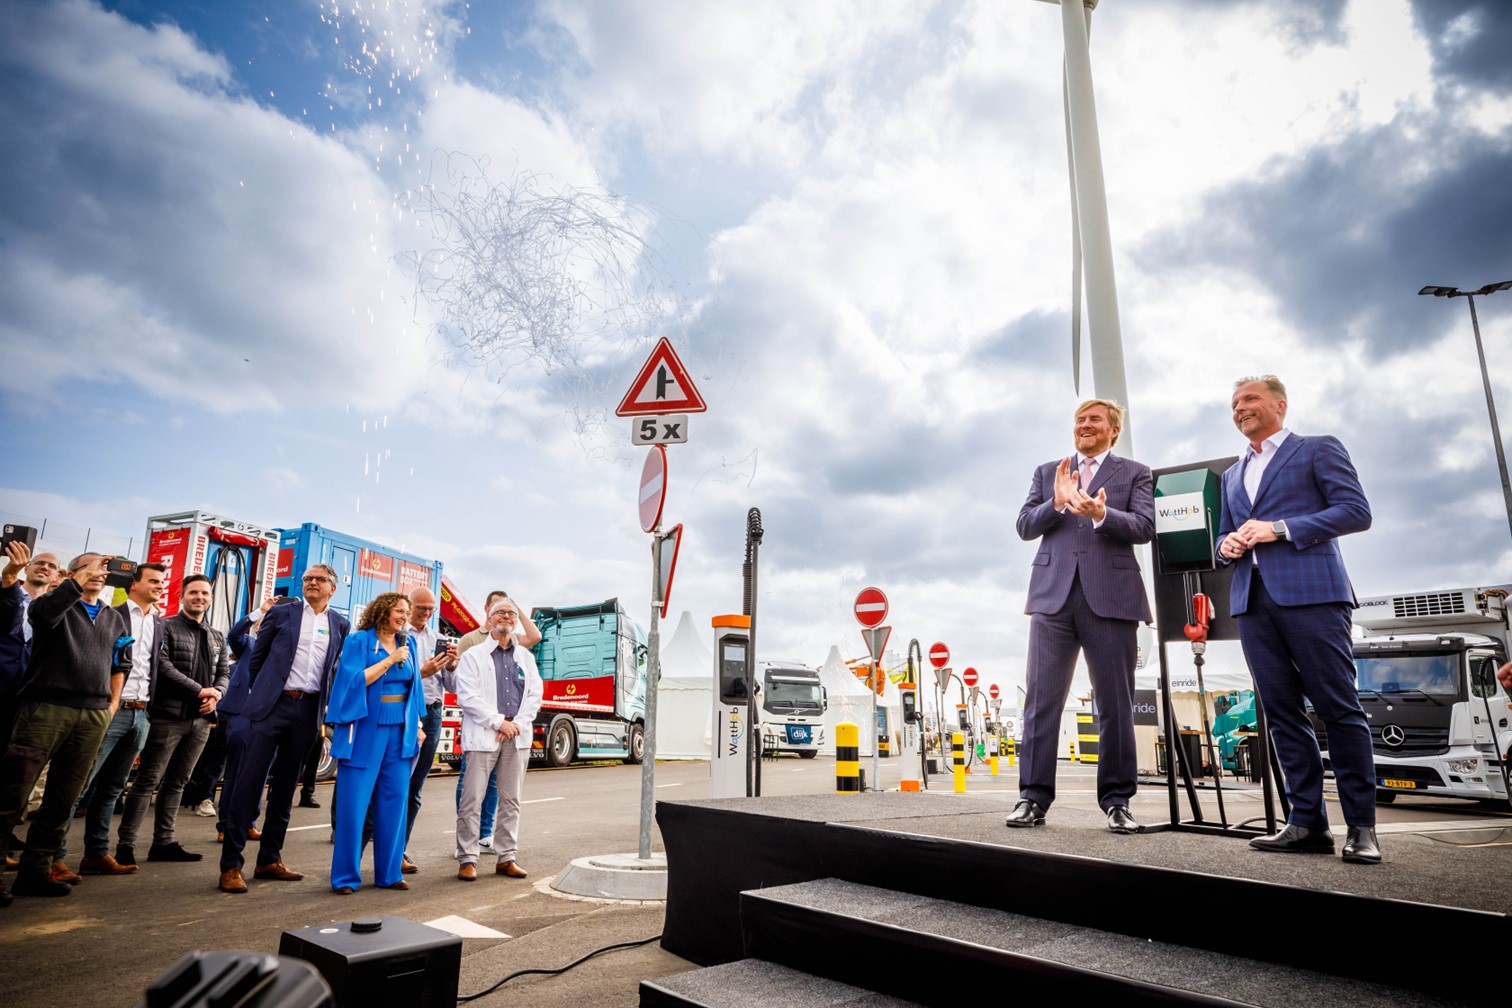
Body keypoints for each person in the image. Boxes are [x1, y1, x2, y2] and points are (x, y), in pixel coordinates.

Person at [1217, 375, 1379, 864]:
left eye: (1249, 399)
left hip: (1313, 596)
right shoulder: (1230, 475)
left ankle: (1362, 828)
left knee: (1338, 709)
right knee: (1282, 714)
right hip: (1253, 602)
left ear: (1279, 404)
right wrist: (1224, 546)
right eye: (1234, 403)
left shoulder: (1317, 449)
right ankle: (1306, 822)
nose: (1240, 408)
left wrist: (1280, 529)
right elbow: (1227, 534)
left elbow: (1355, 511)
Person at [1007, 398, 1153, 834]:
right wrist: (1055, 503)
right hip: (1052, 599)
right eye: (1078, 420)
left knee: (1115, 705)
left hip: (1111, 598)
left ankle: (1117, 800)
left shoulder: (1136, 472)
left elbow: (1144, 527)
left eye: (1093, 420)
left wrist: (1102, 513)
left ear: (1113, 430)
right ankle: (1032, 798)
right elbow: (1024, 526)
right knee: (1041, 703)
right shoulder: (1048, 470)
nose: (1084, 426)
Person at [0, 554, 130, 904]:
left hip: (92, 715)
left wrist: (112, 703)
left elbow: (122, 661)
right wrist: (73, 584)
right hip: (46, 709)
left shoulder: (114, 617)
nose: (99, 574)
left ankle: (35, 872)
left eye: (103, 570)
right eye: (90, 568)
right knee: (13, 794)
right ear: (72, 575)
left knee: (63, 799)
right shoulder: (52, 605)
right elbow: (40, 615)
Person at [217, 566, 349, 894]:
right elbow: (257, 659)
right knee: (248, 784)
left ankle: (269, 859)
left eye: (319, 580)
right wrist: (263, 696)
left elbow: (332, 669)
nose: (311, 584)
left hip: (307, 712)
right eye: (307, 579)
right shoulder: (282, 613)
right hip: (271, 708)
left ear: (332, 588)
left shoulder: (339, 624)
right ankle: (231, 865)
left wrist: (323, 710)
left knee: (286, 787)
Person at [325, 591, 438, 893]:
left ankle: (389, 874)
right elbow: (352, 681)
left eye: (406, 611)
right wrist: (389, 660)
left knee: (395, 802)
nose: (404, 616)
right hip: (365, 730)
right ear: (382, 611)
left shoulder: (409, 643)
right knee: (354, 805)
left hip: (399, 731)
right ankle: (345, 877)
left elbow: (414, 688)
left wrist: (416, 723)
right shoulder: (359, 641)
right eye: (399, 611)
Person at [115, 574, 229, 865]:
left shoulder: (217, 636)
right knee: (147, 781)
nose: (199, 597)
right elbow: (162, 666)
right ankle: (125, 846)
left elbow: (224, 673)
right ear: (182, 597)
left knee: (178, 783)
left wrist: (215, 693)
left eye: (204, 593)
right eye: (193, 592)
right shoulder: (163, 627)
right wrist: (199, 690)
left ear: (211, 598)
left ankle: (162, 843)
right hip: (167, 718)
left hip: (201, 721)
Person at [62, 561, 167, 877]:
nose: (159, 586)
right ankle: (53, 855)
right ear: (132, 584)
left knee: (112, 787)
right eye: (153, 581)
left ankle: (95, 854)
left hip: (141, 714)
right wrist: (108, 704)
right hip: (110, 711)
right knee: (77, 785)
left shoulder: (159, 624)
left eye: (162, 582)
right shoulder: (113, 615)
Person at [454, 597, 541, 881]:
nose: (505, 616)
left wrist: (516, 724)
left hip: (516, 737)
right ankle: (468, 858)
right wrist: (498, 722)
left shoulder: (526, 658)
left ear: (516, 621)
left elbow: (534, 695)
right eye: (499, 612)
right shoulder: (473, 656)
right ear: (489, 620)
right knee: (472, 799)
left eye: (511, 613)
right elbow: (467, 696)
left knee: (511, 800)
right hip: (483, 736)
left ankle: (507, 857)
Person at [399, 586, 458, 874]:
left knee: (414, 788)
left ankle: (399, 851)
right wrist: (422, 671)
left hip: (432, 712)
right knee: (389, 784)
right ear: (408, 605)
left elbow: (453, 687)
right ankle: (372, 845)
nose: (425, 613)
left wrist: (452, 666)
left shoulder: (439, 640)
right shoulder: (397, 634)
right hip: (401, 711)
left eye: (430, 609)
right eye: (420, 608)